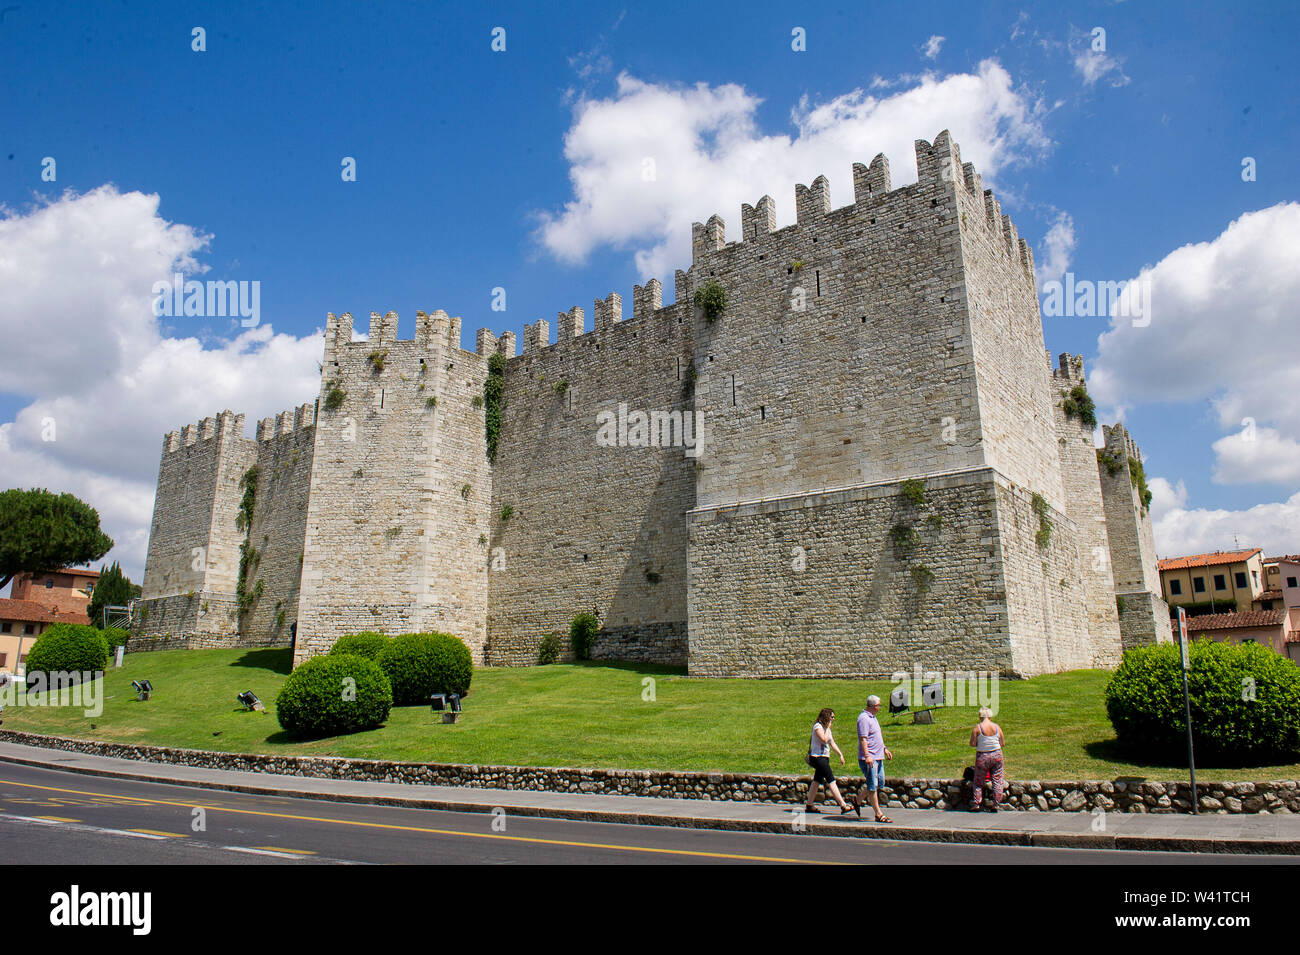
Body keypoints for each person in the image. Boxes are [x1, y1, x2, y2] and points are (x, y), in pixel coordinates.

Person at [804, 708, 854, 815]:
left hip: (824, 757)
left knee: (817, 780)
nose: (833, 719)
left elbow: (832, 742)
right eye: (832, 717)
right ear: (826, 717)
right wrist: (827, 727)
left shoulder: (827, 729)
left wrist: (840, 754)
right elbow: (824, 739)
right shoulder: (818, 727)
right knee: (831, 780)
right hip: (818, 757)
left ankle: (809, 804)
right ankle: (843, 805)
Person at [853, 695, 893, 823]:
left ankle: (857, 800)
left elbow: (876, 736)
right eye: (879, 706)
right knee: (872, 786)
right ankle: (878, 814)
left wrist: (885, 749)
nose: (880, 708)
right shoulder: (864, 718)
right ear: (873, 706)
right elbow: (863, 738)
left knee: (880, 783)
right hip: (870, 758)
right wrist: (867, 756)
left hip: (879, 756)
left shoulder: (873, 718)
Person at [969, 706, 1005, 811]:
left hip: (983, 756)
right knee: (997, 780)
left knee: (978, 781)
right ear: (990, 715)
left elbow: (972, 744)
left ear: (980, 716)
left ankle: (976, 803)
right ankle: (996, 803)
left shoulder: (977, 728)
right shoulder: (997, 727)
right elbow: (1002, 743)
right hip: (997, 755)